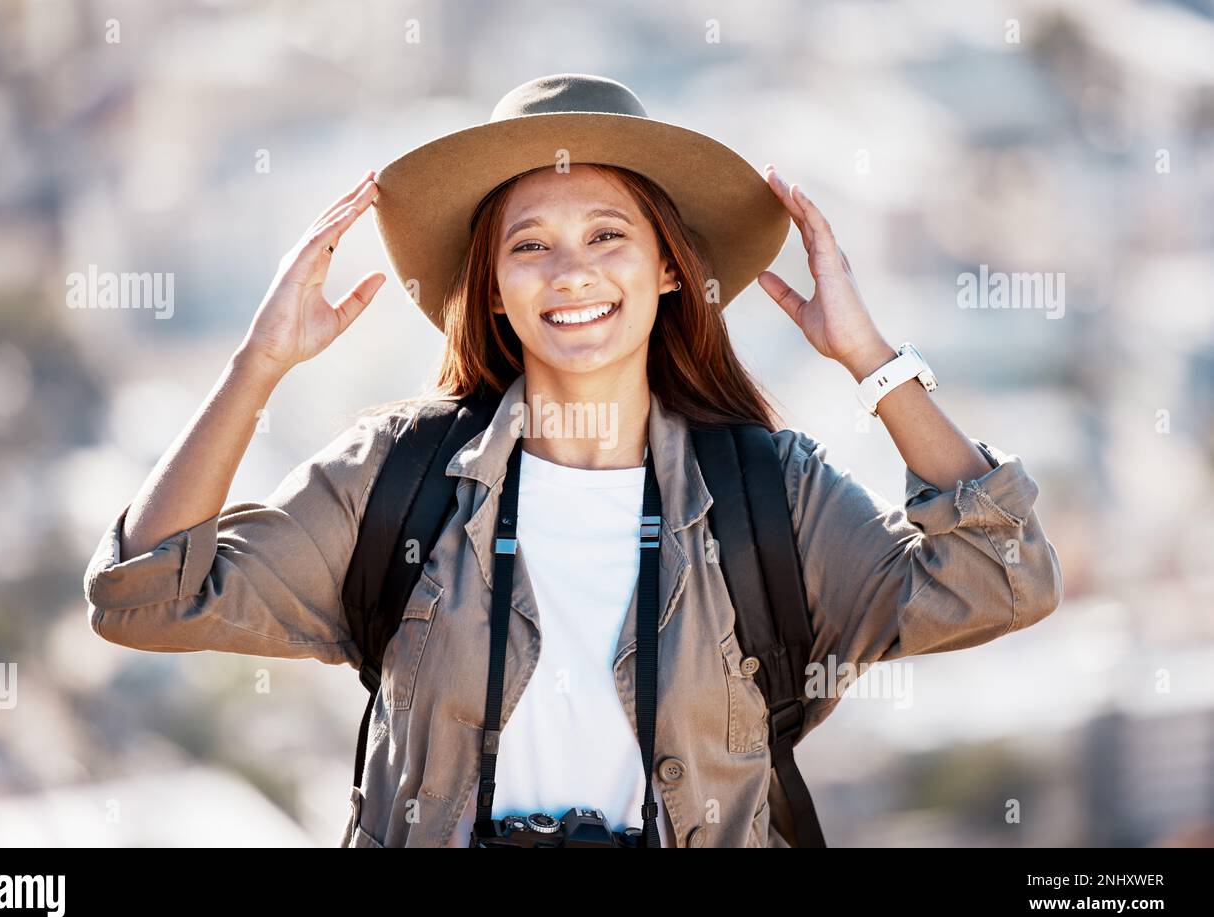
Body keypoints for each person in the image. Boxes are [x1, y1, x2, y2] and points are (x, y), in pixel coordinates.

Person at [83, 74, 1063, 848]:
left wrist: (870, 359)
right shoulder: (398, 476)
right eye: (529, 247)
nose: (573, 271)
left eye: (607, 234)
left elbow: (998, 578)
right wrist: (258, 365)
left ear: (669, 265)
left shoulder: (768, 490)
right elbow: (142, 596)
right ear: (494, 290)